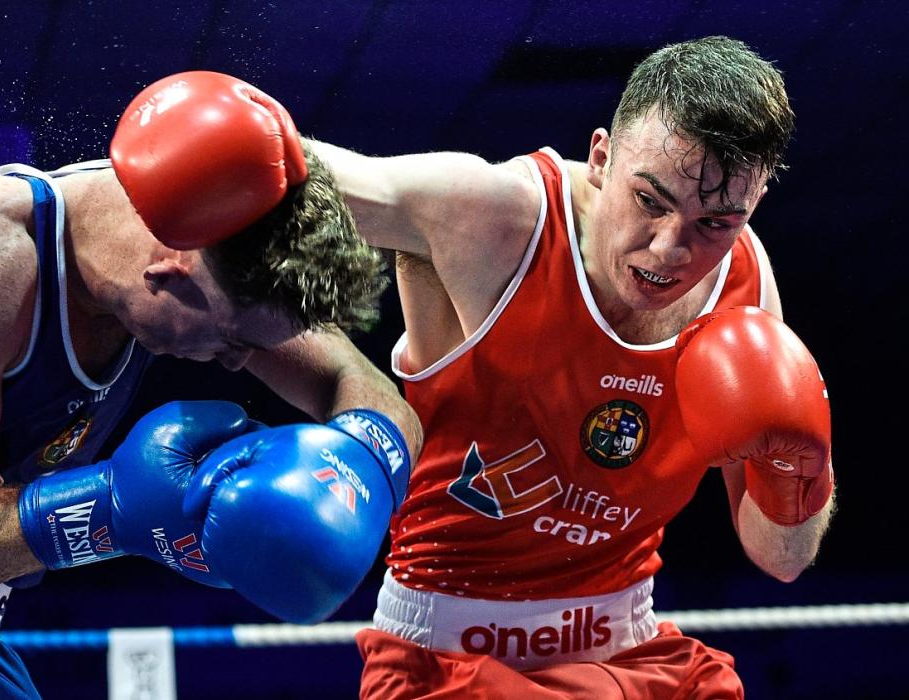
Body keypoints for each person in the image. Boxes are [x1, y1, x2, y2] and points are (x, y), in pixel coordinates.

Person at [0, 71, 421, 698]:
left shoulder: (220, 261)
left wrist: (354, 467)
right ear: (169, 274)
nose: (238, 362)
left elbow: (366, 389)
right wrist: (115, 510)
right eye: (231, 338)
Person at [312, 36, 834, 698]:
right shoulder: (501, 218)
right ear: (600, 157)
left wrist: (799, 464)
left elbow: (782, 559)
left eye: (715, 224)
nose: (671, 248)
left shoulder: (747, 288)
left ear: (751, 206)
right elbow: (289, 174)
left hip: (630, 656)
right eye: (651, 201)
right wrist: (189, 140)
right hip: (448, 661)